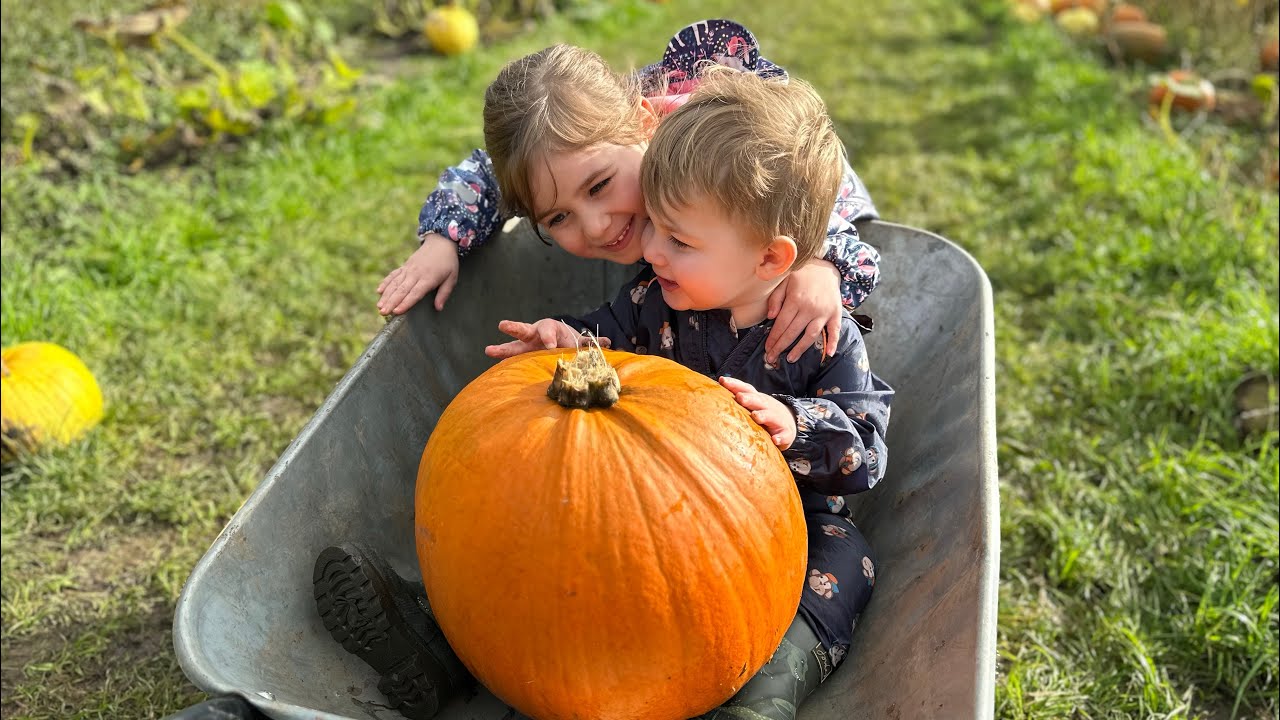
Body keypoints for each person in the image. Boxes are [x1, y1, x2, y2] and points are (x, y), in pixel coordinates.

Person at [315, 64, 893, 720]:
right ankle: (437, 647)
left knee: (847, 562)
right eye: (655, 231)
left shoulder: (820, 333)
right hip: (648, 522)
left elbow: (867, 446)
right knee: (545, 552)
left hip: (778, 526)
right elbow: (606, 341)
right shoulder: (657, 297)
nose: (651, 249)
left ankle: (763, 701)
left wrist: (795, 424)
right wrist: (565, 344)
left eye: (675, 239)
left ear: (769, 260)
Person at [375, 18, 882, 367]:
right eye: (557, 218)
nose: (595, 225)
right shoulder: (570, 159)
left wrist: (818, 266)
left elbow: (795, 199)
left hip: (800, 182)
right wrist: (443, 239)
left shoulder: (718, 160)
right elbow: (483, 172)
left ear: (644, 125)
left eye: (599, 186)